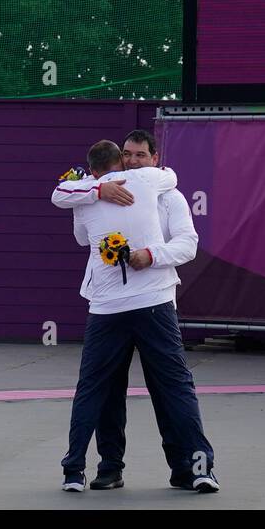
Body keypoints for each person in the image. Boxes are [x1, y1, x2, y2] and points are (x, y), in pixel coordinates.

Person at [52, 131, 218, 494]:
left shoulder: (169, 195)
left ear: (154, 158)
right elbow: (83, 236)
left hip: (155, 300)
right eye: (126, 155)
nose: (132, 162)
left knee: (171, 389)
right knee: (110, 390)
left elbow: (188, 244)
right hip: (111, 302)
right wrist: (96, 192)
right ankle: (110, 468)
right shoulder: (106, 187)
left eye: (140, 155)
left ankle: (193, 468)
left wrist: (152, 255)